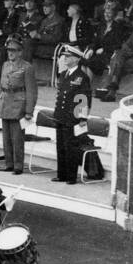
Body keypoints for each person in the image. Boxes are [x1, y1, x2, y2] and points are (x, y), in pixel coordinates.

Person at [0, 34, 37, 174]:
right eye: (9, 50)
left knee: (17, 137)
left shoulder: (27, 67)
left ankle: (18, 165)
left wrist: (29, 110)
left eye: (14, 50)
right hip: (6, 101)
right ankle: (9, 163)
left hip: (19, 103)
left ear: (20, 52)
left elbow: (31, 91)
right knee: (6, 136)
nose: (10, 53)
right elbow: (2, 84)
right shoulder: (5, 65)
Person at [52, 45, 92, 184]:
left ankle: (70, 176)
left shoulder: (81, 77)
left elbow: (83, 98)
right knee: (60, 147)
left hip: (72, 117)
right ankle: (61, 174)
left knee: (71, 148)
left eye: (68, 57)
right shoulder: (64, 74)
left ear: (76, 59)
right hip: (62, 115)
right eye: (65, 56)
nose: (65, 59)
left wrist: (82, 117)